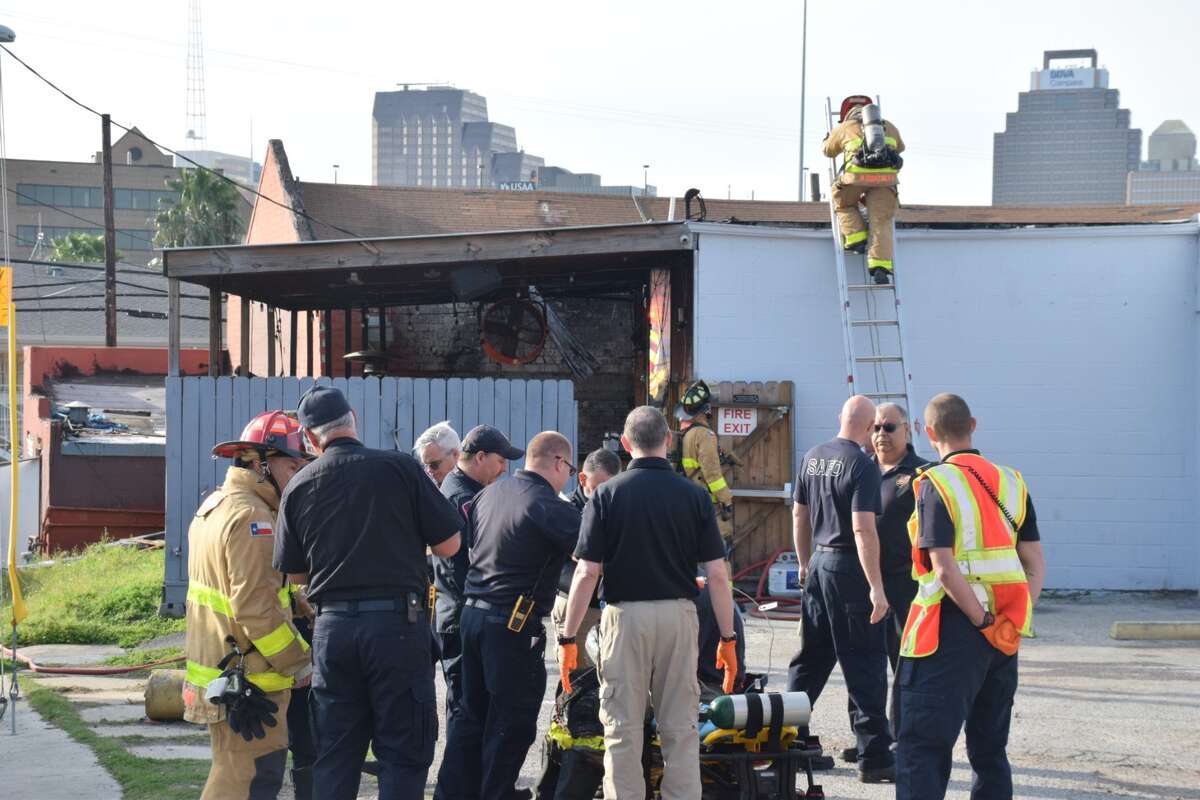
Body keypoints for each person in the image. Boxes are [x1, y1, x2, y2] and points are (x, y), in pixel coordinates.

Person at [273, 386, 462, 800]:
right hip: (397, 626)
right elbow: (449, 545)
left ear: (309, 438)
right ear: (353, 418)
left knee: (336, 756)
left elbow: (297, 575)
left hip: (334, 631)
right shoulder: (400, 468)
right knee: (402, 754)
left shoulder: (298, 485)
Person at [560, 406, 737, 800]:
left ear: (625, 445)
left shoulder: (605, 495)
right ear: (669, 441)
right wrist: (727, 639)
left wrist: (568, 639)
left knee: (621, 731)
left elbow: (587, 574)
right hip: (679, 616)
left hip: (625, 619)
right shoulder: (694, 496)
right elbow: (719, 576)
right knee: (681, 730)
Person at [895, 394, 1045, 800]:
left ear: (928, 434)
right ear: (973, 425)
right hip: (1003, 637)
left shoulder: (935, 483)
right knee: (990, 749)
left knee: (922, 748)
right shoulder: (1012, 482)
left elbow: (943, 568)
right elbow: (1034, 564)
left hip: (948, 633)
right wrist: (1009, 624)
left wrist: (980, 621)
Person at [441, 431, 582, 800]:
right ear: (557, 462)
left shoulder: (488, 494)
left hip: (471, 618)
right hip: (511, 626)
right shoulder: (547, 504)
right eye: (568, 469)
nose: (567, 478)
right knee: (511, 724)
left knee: (471, 720)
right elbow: (594, 553)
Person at [182, 411, 314, 800]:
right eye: (293, 465)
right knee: (248, 780)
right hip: (252, 679)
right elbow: (255, 608)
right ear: (262, 464)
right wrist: (298, 662)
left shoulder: (218, 505)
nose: (299, 475)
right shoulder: (254, 519)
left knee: (235, 773)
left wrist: (303, 603)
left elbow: (256, 590)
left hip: (225, 672)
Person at [787, 395, 894, 783]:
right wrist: (876, 587)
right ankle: (875, 757)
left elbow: (799, 513)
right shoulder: (862, 465)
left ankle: (791, 742)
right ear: (868, 427)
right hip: (848, 567)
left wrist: (803, 562)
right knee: (864, 660)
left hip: (818, 561)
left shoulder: (813, 455)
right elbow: (864, 529)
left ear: (841, 419)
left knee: (811, 658)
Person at [431, 424, 525, 800]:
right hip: (461, 619)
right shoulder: (461, 498)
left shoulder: (471, 493)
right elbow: (461, 566)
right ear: (480, 458)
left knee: (476, 711)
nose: (504, 469)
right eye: (500, 461)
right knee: (466, 714)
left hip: (463, 615)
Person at [835, 402, 931, 764]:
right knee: (862, 664)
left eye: (889, 427)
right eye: (875, 427)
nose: (880, 435)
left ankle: (900, 739)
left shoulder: (924, 473)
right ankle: (868, 738)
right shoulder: (861, 468)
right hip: (863, 583)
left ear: (910, 429)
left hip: (906, 585)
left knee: (904, 665)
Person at [825, 94, 906, 285]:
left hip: (856, 177)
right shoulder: (889, 126)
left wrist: (829, 137)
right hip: (886, 180)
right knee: (881, 220)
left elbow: (828, 151)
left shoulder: (845, 127)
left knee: (842, 202)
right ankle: (880, 267)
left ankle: (856, 238)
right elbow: (900, 147)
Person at [552, 447, 621, 669]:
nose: (606, 494)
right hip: (574, 602)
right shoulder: (567, 510)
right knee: (576, 677)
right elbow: (586, 561)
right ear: (582, 479)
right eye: (600, 486)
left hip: (608, 604)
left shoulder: (615, 508)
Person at [675, 379, 735, 549]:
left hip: (688, 502)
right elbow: (712, 474)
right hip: (708, 506)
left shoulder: (687, 434)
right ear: (706, 409)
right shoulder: (704, 435)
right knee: (720, 555)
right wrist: (726, 499)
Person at [415, 420, 462, 486]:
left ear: (455, 454)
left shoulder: (472, 491)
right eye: (426, 465)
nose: (429, 471)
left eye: (434, 464)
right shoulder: (428, 488)